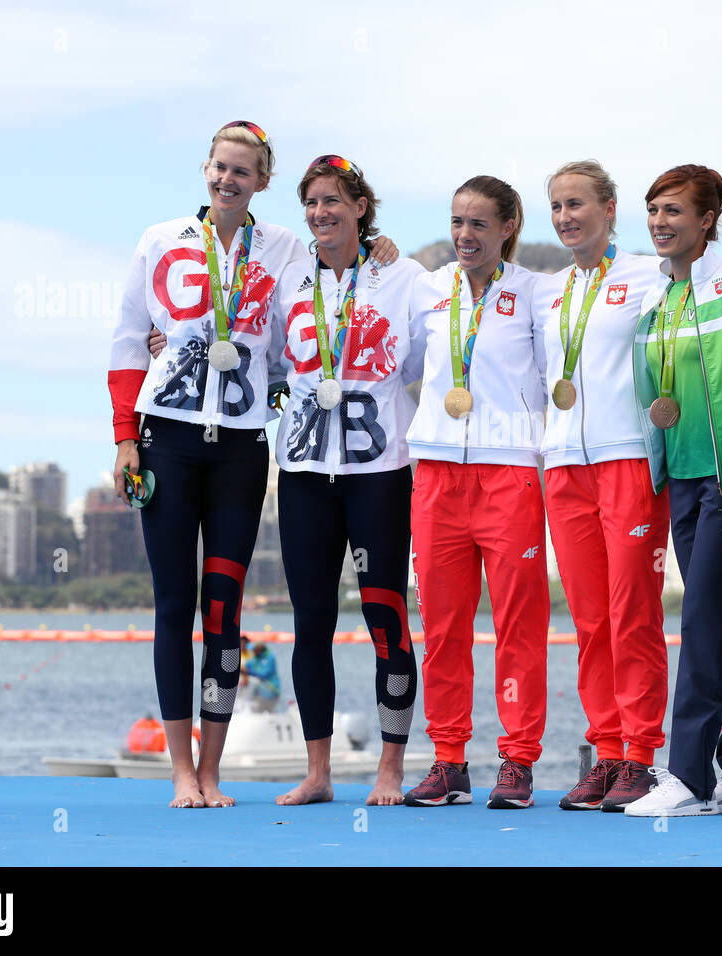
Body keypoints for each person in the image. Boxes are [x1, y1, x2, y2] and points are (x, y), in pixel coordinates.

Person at [109, 120, 299, 808]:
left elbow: (314, 315)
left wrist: (379, 244)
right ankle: (180, 771)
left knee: (223, 609)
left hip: (243, 449)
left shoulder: (283, 247)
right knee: (172, 607)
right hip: (168, 439)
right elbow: (129, 340)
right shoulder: (159, 241)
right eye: (219, 167)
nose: (227, 180)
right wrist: (125, 437)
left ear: (262, 182)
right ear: (205, 168)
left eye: (242, 172)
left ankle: (212, 772)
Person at [269, 155, 424, 808]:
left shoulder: (403, 276)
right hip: (304, 473)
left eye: (333, 200)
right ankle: (319, 771)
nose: (320, 212)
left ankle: (390, 768)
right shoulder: (287, 279)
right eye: (310, 202)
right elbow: (266, 356)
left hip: (379, 472)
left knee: (387, 618)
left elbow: (424, 361)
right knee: (312, 623)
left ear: (362, 206)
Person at [622, 165, 722, 818]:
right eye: (654, 210)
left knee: (705, 621)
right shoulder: (657, 304)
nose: (660, 222)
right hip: (680, 481)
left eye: (675, 211)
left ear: (708, 219)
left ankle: (686, 776)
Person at [401, 176, 550, 809]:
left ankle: (516, 762)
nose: (465, 235)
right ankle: (448, 760)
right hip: (435, 473)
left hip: (508, 474)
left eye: (480, 224)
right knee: (442, 627)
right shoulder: (427, 290)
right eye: (458, 222)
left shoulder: (538, 294)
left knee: (519, 625)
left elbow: (553, 376)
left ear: (509, 226)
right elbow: (403, 366)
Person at [530, 161, 670, 812]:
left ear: (609, 209)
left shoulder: (650, 274)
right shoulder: (548, 292)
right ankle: (607, 750)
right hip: (563, 467)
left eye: (577, 204)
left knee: (632, 611)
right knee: (589, 619)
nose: (565, 217)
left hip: (628, 463)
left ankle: (642, 755)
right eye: (556, 206)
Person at [240, 638, 280, 713]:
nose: (252, 651)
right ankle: (242, 706)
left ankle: (244, 706)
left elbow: (264, 675)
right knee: (245, 683)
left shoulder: (270, 657)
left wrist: (248, 671)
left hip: (272, 688)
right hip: (261, 689)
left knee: (253, 682)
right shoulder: (255, 657)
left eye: (254, 650)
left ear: (260, 649)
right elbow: (246, 666)